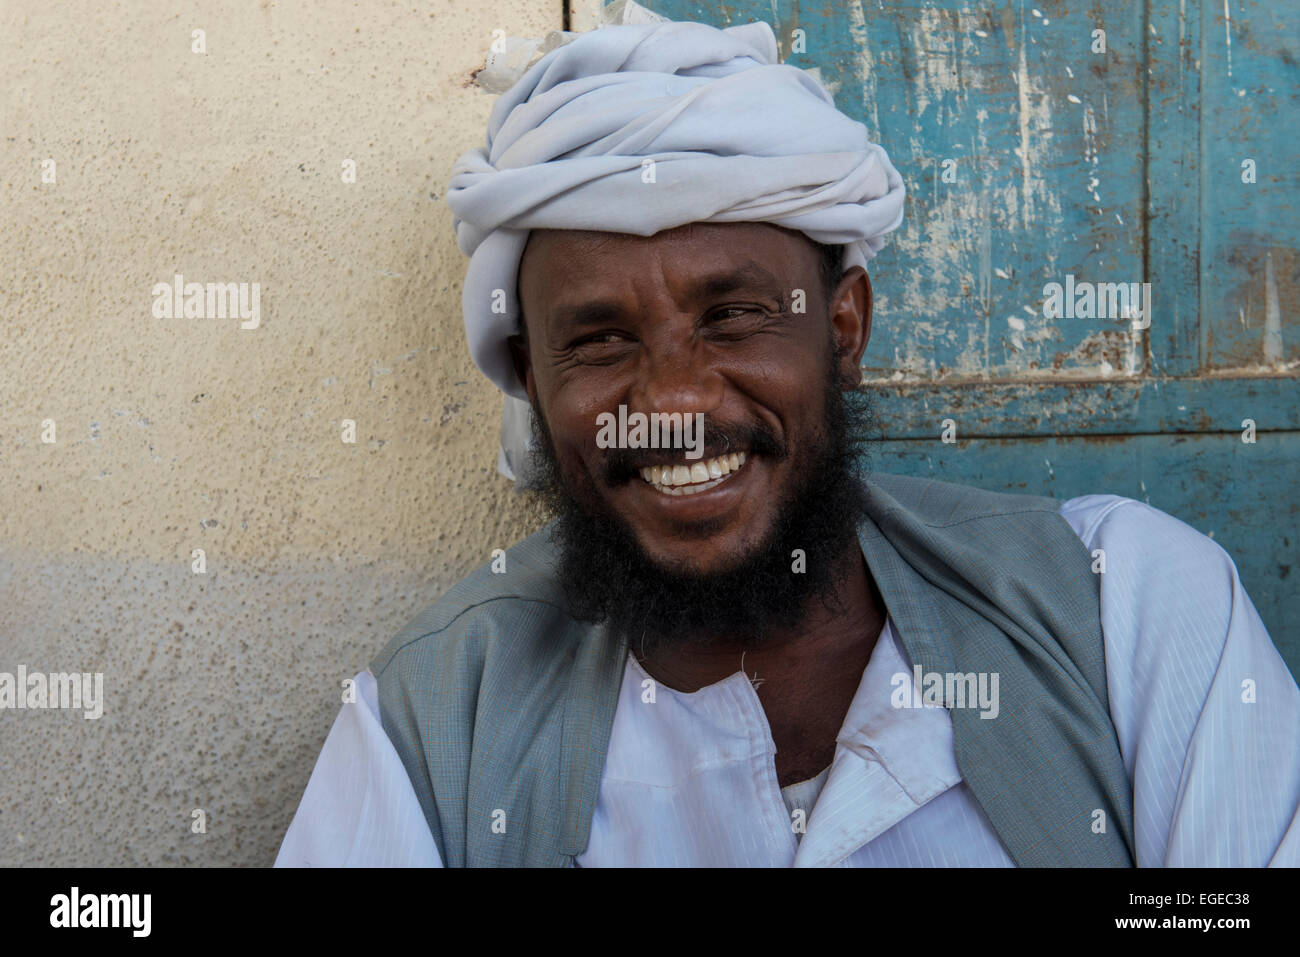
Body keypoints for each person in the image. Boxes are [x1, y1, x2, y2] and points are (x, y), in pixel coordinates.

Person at [275, 15, 1300, 868]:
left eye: (732, 317)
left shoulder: (1126, 607)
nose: (672, 399)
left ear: (842, 329)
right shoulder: (438, 717)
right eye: (599, 341)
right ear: (532, 382)